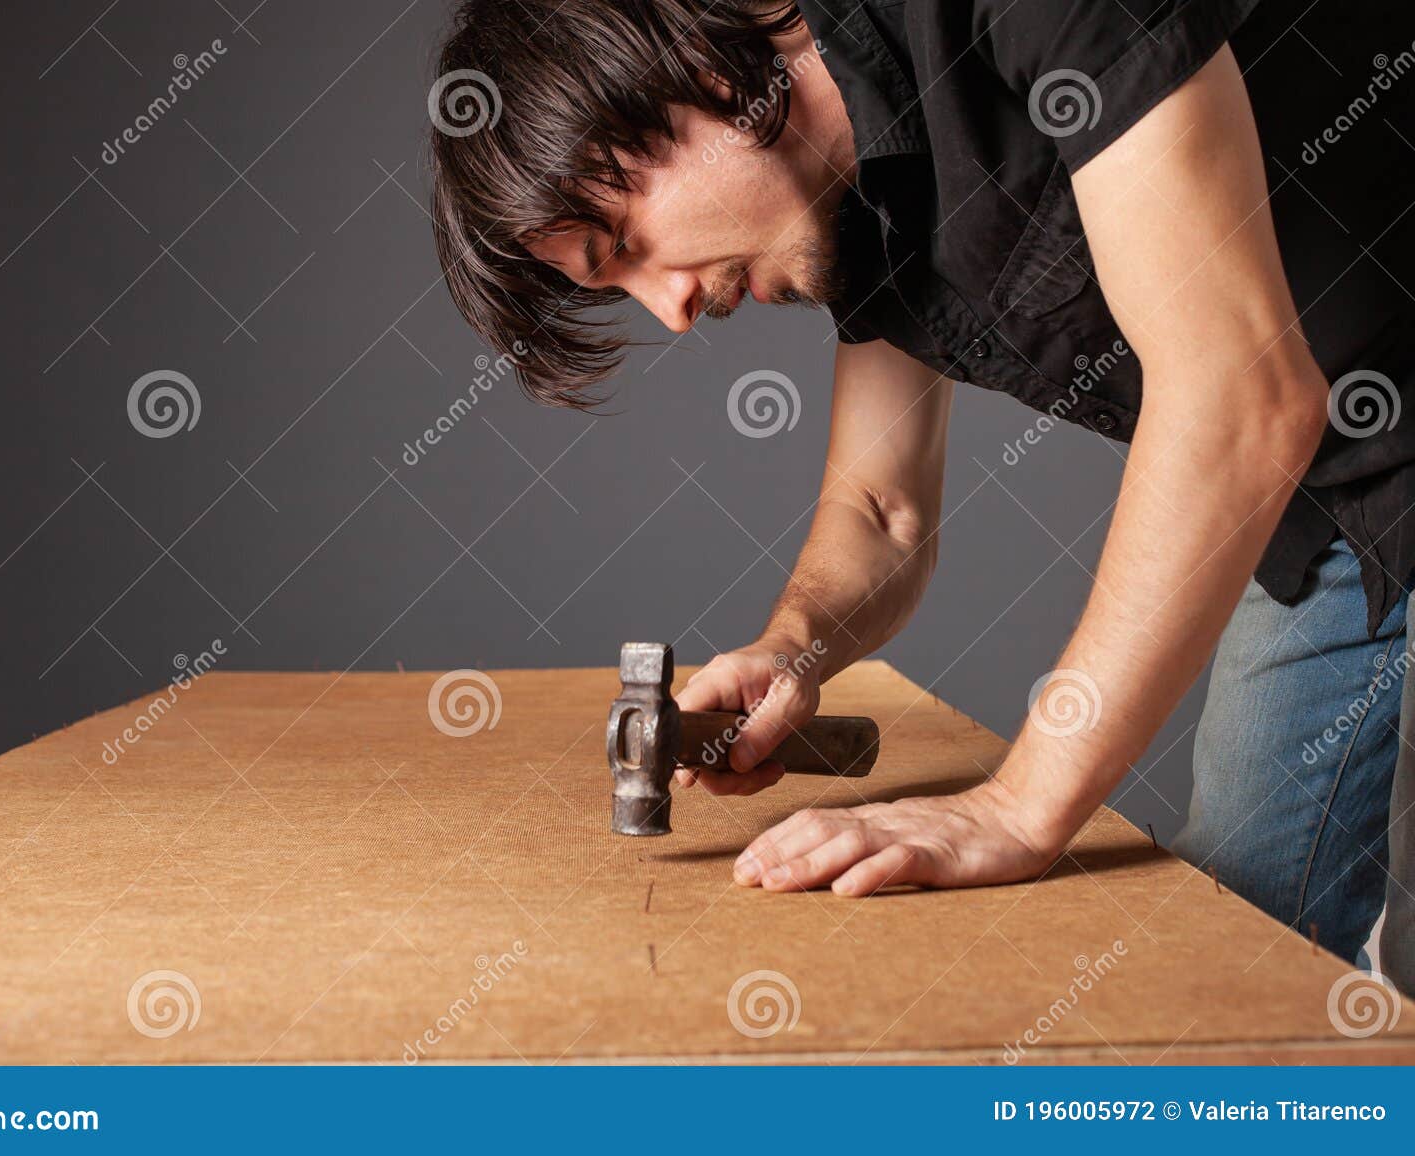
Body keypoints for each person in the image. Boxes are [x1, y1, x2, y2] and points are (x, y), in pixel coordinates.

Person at [429, 0, 1415, 991]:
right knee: (1235, 961)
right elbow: (880, 512)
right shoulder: (850, 200)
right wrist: (792, 648)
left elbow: (1238, 393)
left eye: (624, 248)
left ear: (689, 74)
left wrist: (1018, 806)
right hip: (1336, 510)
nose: (671, 310)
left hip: (1309, 433)